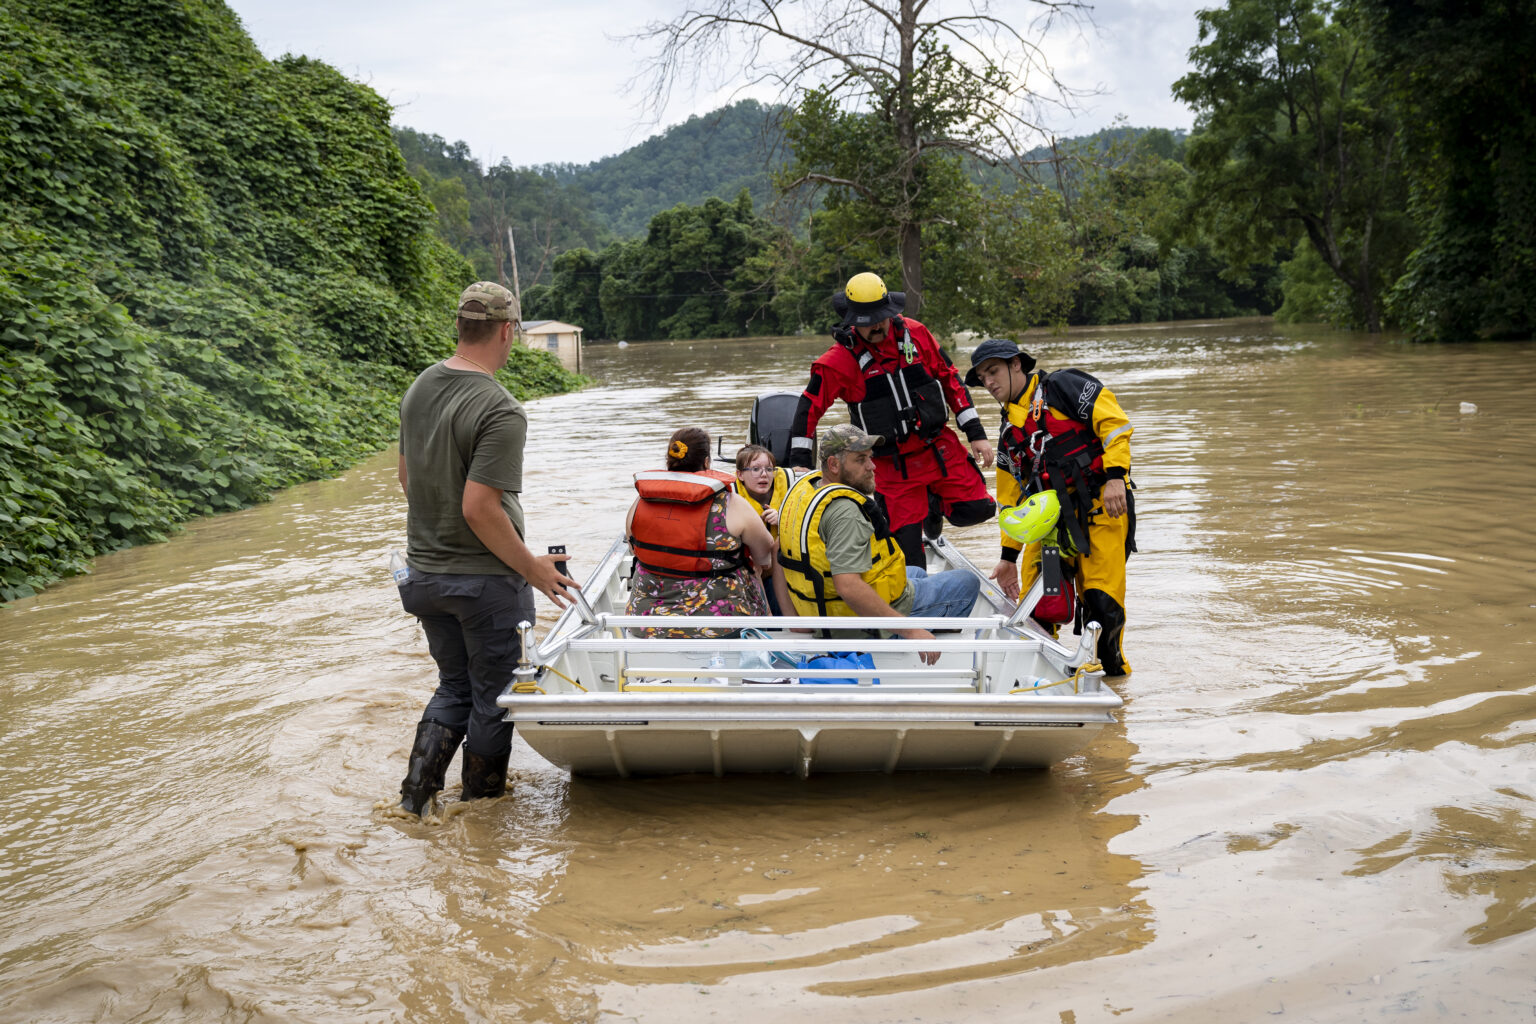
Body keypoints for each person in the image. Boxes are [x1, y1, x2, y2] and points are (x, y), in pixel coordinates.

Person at [394, 281, 580, 816]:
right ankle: (481, 815)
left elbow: (408, 480)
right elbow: (479, 508)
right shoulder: (501, 408)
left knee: (454, 685)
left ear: (460, 327)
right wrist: (535, 569)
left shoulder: (420, 387)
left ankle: (414, 803)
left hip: (425, 576)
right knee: (496, 700)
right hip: (485, 583)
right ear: (507, 331)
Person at [785, 272, 996, 567]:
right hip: (891, 466)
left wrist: (976, 433)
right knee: (910, 559)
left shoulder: (917, 333)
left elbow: (950, 379)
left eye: (881, 317)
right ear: (852, 320)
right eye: (867, 321)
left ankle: (933, 503)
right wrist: (799, 462)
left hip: (938, 449)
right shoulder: (837, 361)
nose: (877, 325)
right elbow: (809, 408)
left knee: (980, 509)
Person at [966, 338, 1135, 676]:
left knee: (1103, 605)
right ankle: (1046, 680)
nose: (989, 382)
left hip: (1102, 508)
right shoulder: (1009, 433)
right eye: (982, 378)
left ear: (1017, 364)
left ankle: (1115, 683)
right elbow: (1010, 501)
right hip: (1050, 529)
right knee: (1036, 612)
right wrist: (1007, 557)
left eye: (993, 371)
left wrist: (1117, 476)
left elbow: (1116, 424)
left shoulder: (1063, 387)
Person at [776, 423, 981, 664]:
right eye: (861, 460)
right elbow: (849, 587)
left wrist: (796, 620)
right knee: (966, 583)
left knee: (915, 572)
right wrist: (911, 631)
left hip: (824, 610)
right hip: (854, 625)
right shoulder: (845, 512)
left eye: (870, 458)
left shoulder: (807, 490)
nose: (872, 466)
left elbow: (777, 548)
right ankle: (924, 652)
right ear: (833, 465)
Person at [626, 427, 782, 638]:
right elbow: (765, 556)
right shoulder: (731, 504)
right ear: (707, 462)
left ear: (669, 461)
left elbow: (634, 550)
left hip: (646, 622)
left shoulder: (639, 503)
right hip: (720, 625)